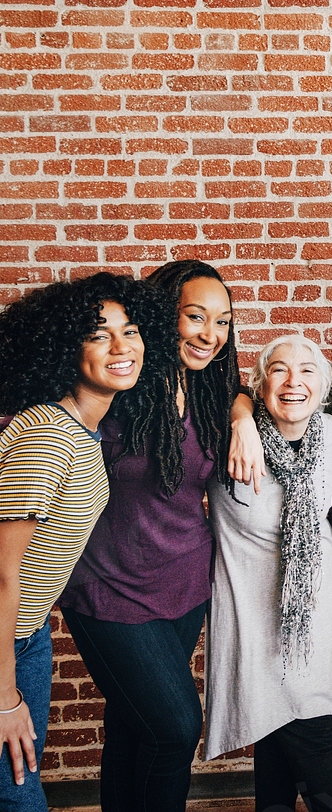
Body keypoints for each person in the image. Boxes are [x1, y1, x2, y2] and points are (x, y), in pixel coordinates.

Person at [60, 260, 240, 812]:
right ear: (163, 317)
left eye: (223, 321)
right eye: (195, 317)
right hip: (110, 590)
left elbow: (243, 386)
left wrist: (246, 417)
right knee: (175, 727)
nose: (210, 334)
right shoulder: (119, 383)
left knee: (133, 730)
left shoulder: (213, 392)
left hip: (184, 588)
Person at [0, 272, 172, 812]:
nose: (122, 347)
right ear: (63, 348)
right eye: (100, 334)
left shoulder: (83, 430)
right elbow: (1, 574)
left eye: (132, 330)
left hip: (24, 637)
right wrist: (4, 693)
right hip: (4, 649)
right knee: (20, 798)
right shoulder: (48, 436)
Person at [204, 335, 332, 812]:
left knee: (288, 723)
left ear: (323, 385)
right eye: (279, 370)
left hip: (314, 607)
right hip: (251, 606)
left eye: (308, 370)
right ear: (259, 381)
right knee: (299, 726)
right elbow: (214, 388)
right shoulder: (227, 436)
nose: (294, 382)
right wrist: (241, 416)